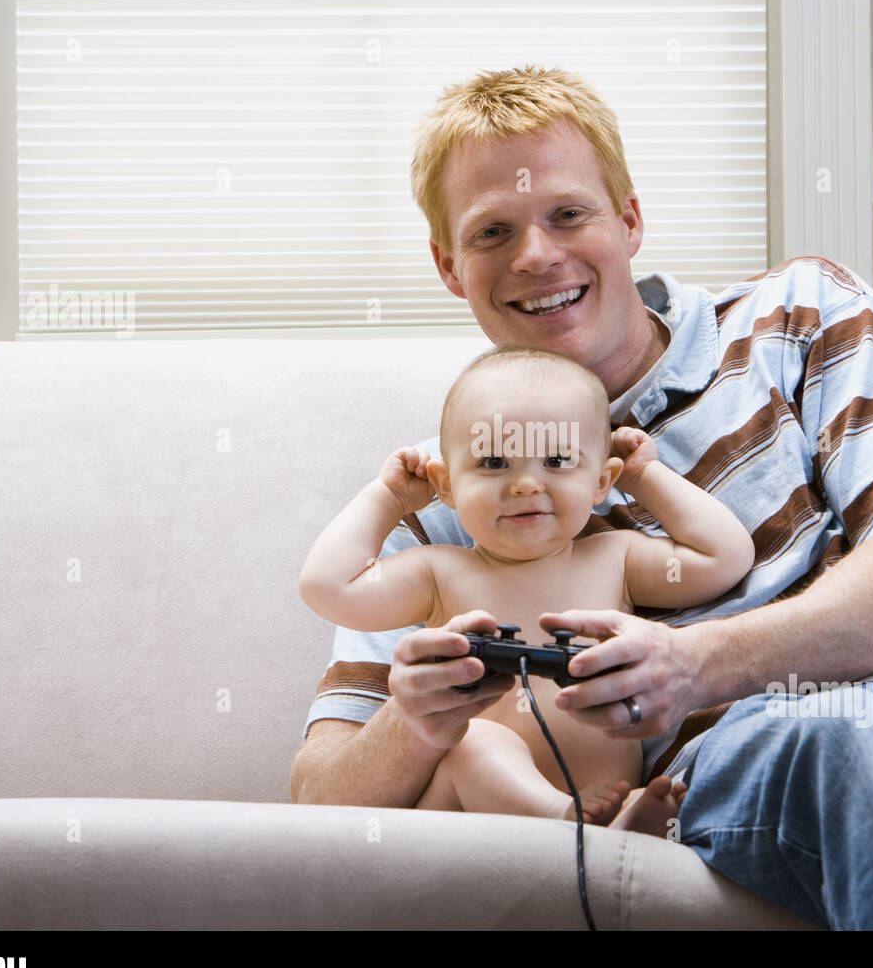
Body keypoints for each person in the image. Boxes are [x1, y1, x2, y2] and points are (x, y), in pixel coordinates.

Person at [290, 65, 873, 930]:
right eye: (491, 233)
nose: (536, 255)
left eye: (568, 214)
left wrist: (696, 663)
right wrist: (416, 720)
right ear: (449, 267)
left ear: (629, 221)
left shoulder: (798, 314)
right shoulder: (450, 495)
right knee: (850, 739)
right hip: (780, 749)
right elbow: (321, 797)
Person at [298, 345, 754, 832]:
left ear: (602, 481)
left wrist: (646, 476)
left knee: (657, 788)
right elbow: (326, 588)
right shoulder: (437, 571)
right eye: (494, 463)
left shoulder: (616, 558)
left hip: (603, 800)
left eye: (557, 460)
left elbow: (725, 557)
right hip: (471, 816)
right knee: (476, 741)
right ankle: (566, 818)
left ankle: (612, 824)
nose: (524, 484)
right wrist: (387, 498)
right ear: (445, 486)